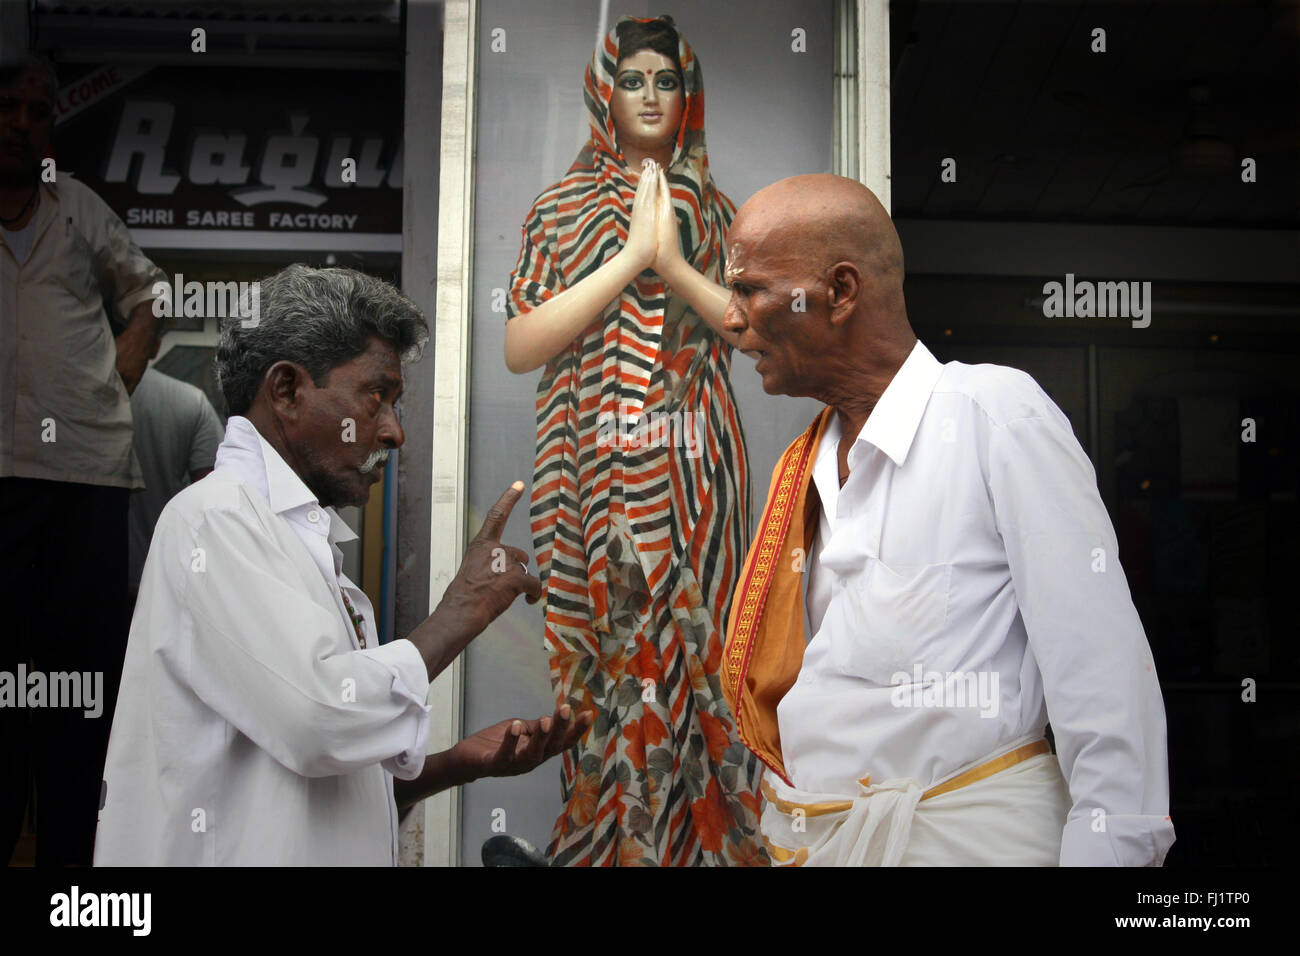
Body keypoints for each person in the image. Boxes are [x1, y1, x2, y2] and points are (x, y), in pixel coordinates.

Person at [719, 174, 1175, 866]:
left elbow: (1102, 677)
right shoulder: (804, 468)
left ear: (840, 293)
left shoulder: (992, 414)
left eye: (748, 289)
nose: (729, 317)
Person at [94, 264, 592, 865]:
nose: (392, 432)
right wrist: (462, 609)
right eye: (376, 396)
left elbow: (313, 774)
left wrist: (459, 764)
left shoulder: (291, 535)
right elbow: (315, 722)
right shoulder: (215, 520)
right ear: (286, 390)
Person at [503, 16, 765, 865]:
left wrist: (673, 258)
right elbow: (521, 345)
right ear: (604, 94)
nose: (650, 95)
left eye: (666, 80)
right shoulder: (559, 208)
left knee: (699, 665)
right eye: (633, 79)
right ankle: (600, 847)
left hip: (693, 469)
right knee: (600, 670)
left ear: (687, 98)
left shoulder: (723, 211)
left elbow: (747, 330)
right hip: (583, 466)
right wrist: (627, 260)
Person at [0, 51, 166, 866]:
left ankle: (73, 872)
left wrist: (113, 384)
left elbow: (147, 296)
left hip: (84, 481)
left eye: (38, 111)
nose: (23, 123)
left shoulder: (81, 211)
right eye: (9, 108)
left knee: (77, 690)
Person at [127, 358, 225, 605]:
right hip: (165, 578)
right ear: (154, 345)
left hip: (86, 575)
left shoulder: (68, 400)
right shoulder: (190, 401)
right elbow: (214, 502)